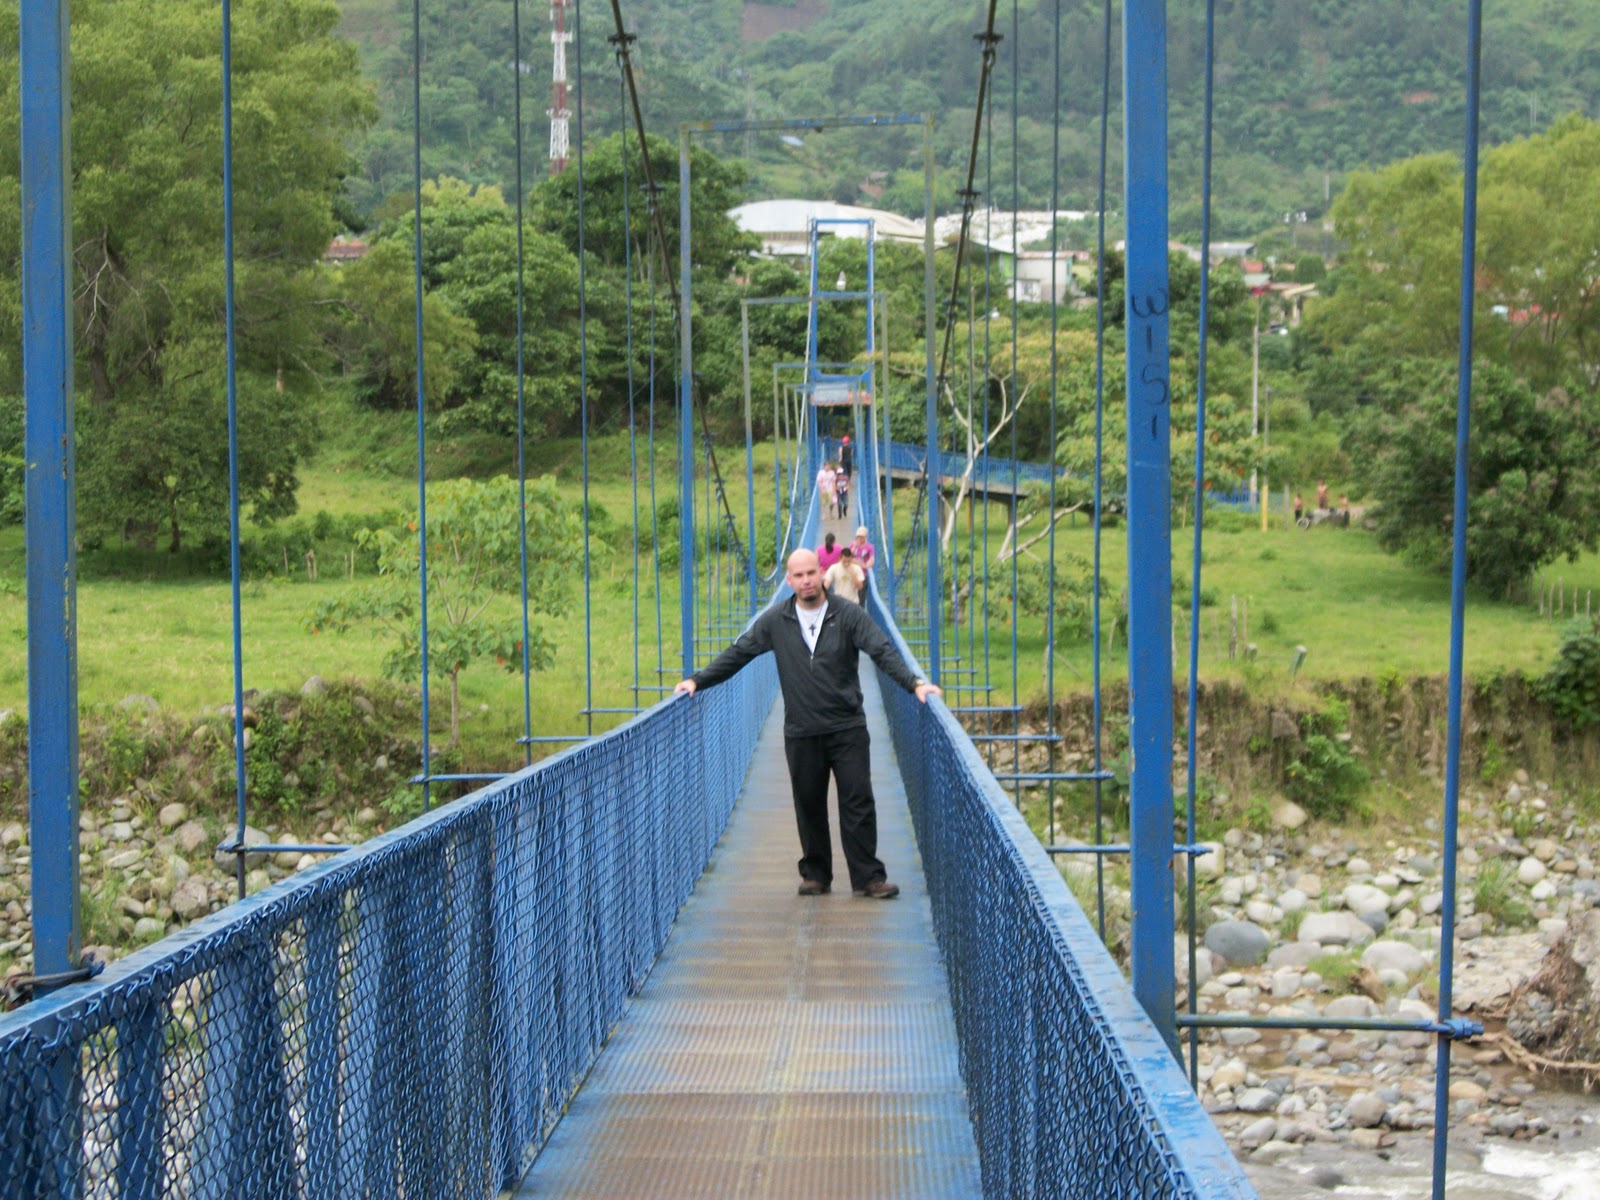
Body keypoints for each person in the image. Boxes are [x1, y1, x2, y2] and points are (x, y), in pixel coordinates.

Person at [674, 549, 942, 899]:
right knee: (808, 802)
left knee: (858, 800)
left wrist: (914, 683)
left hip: (847, 726)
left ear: (823, 574)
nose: (805, 581)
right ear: (789, 580)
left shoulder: (848, 615)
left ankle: (868, 877)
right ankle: (816, 874)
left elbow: (881, 649)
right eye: (798, 576)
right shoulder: (775, 621)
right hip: (802, 730)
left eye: (811, 574)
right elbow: (738, 654)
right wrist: (697, 680)